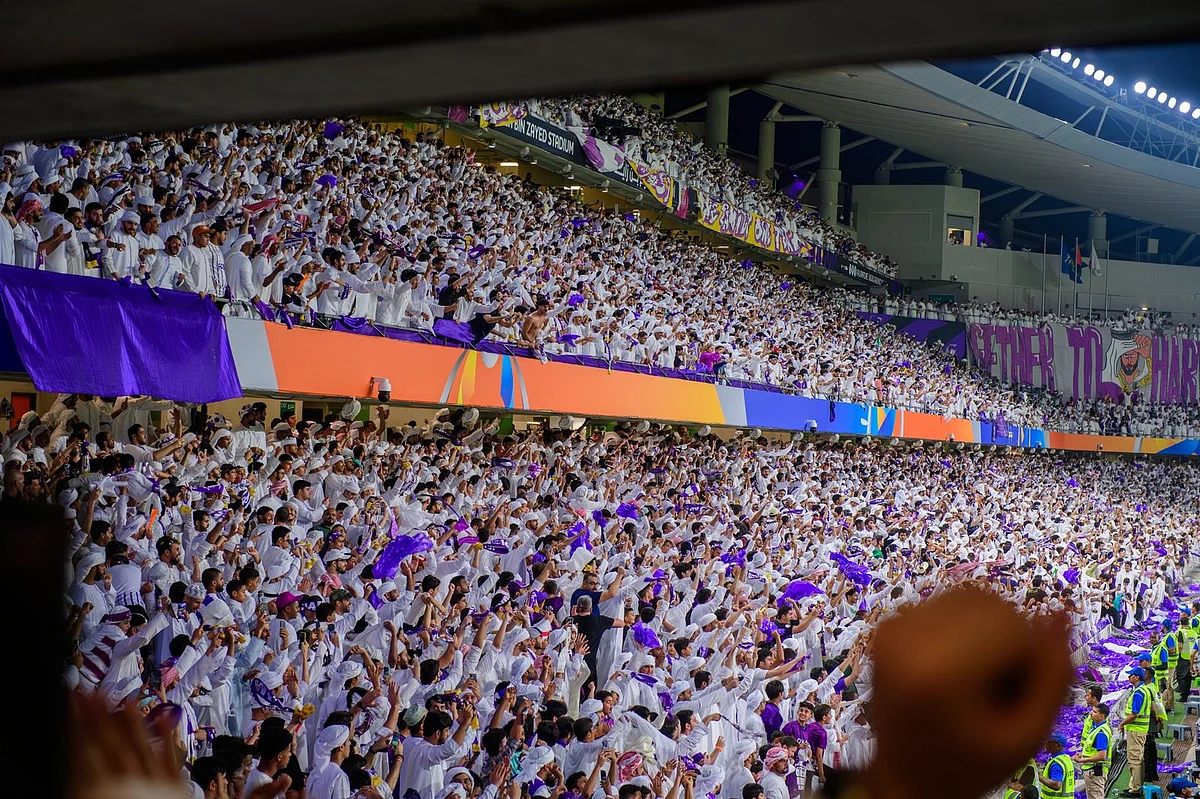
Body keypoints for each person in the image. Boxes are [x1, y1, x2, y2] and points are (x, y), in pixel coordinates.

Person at [1119, 667, 1153, 797]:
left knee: (1134, 759)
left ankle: (1135, 789)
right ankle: (1135, 785)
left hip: (1136, 730)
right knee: (1138, 758)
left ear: (1137, 677)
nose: (1128, 678)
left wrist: (1122, 724)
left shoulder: (1139, 693)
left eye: (1130, 675)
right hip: (1139, 730)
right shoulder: (1144, 689)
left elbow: (1134, 714)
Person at [1072, 704, 1111, 799]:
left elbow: (1102, 756)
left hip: (1094, 772)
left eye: (1094, 712)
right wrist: (1083, 755)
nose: (1091, 713)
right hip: (1093, 770)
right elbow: (1093, 750)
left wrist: (1082, 761)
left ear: (1102, 716)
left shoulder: (1101, 733)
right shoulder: (1097, 728)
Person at [1037, 734, 1075, 799]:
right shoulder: (1066, 759)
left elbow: (1056, 785)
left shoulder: (1056, 763)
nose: (1046, 745)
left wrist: (1038, 777)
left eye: (1049, 742)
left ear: (1058, 746)